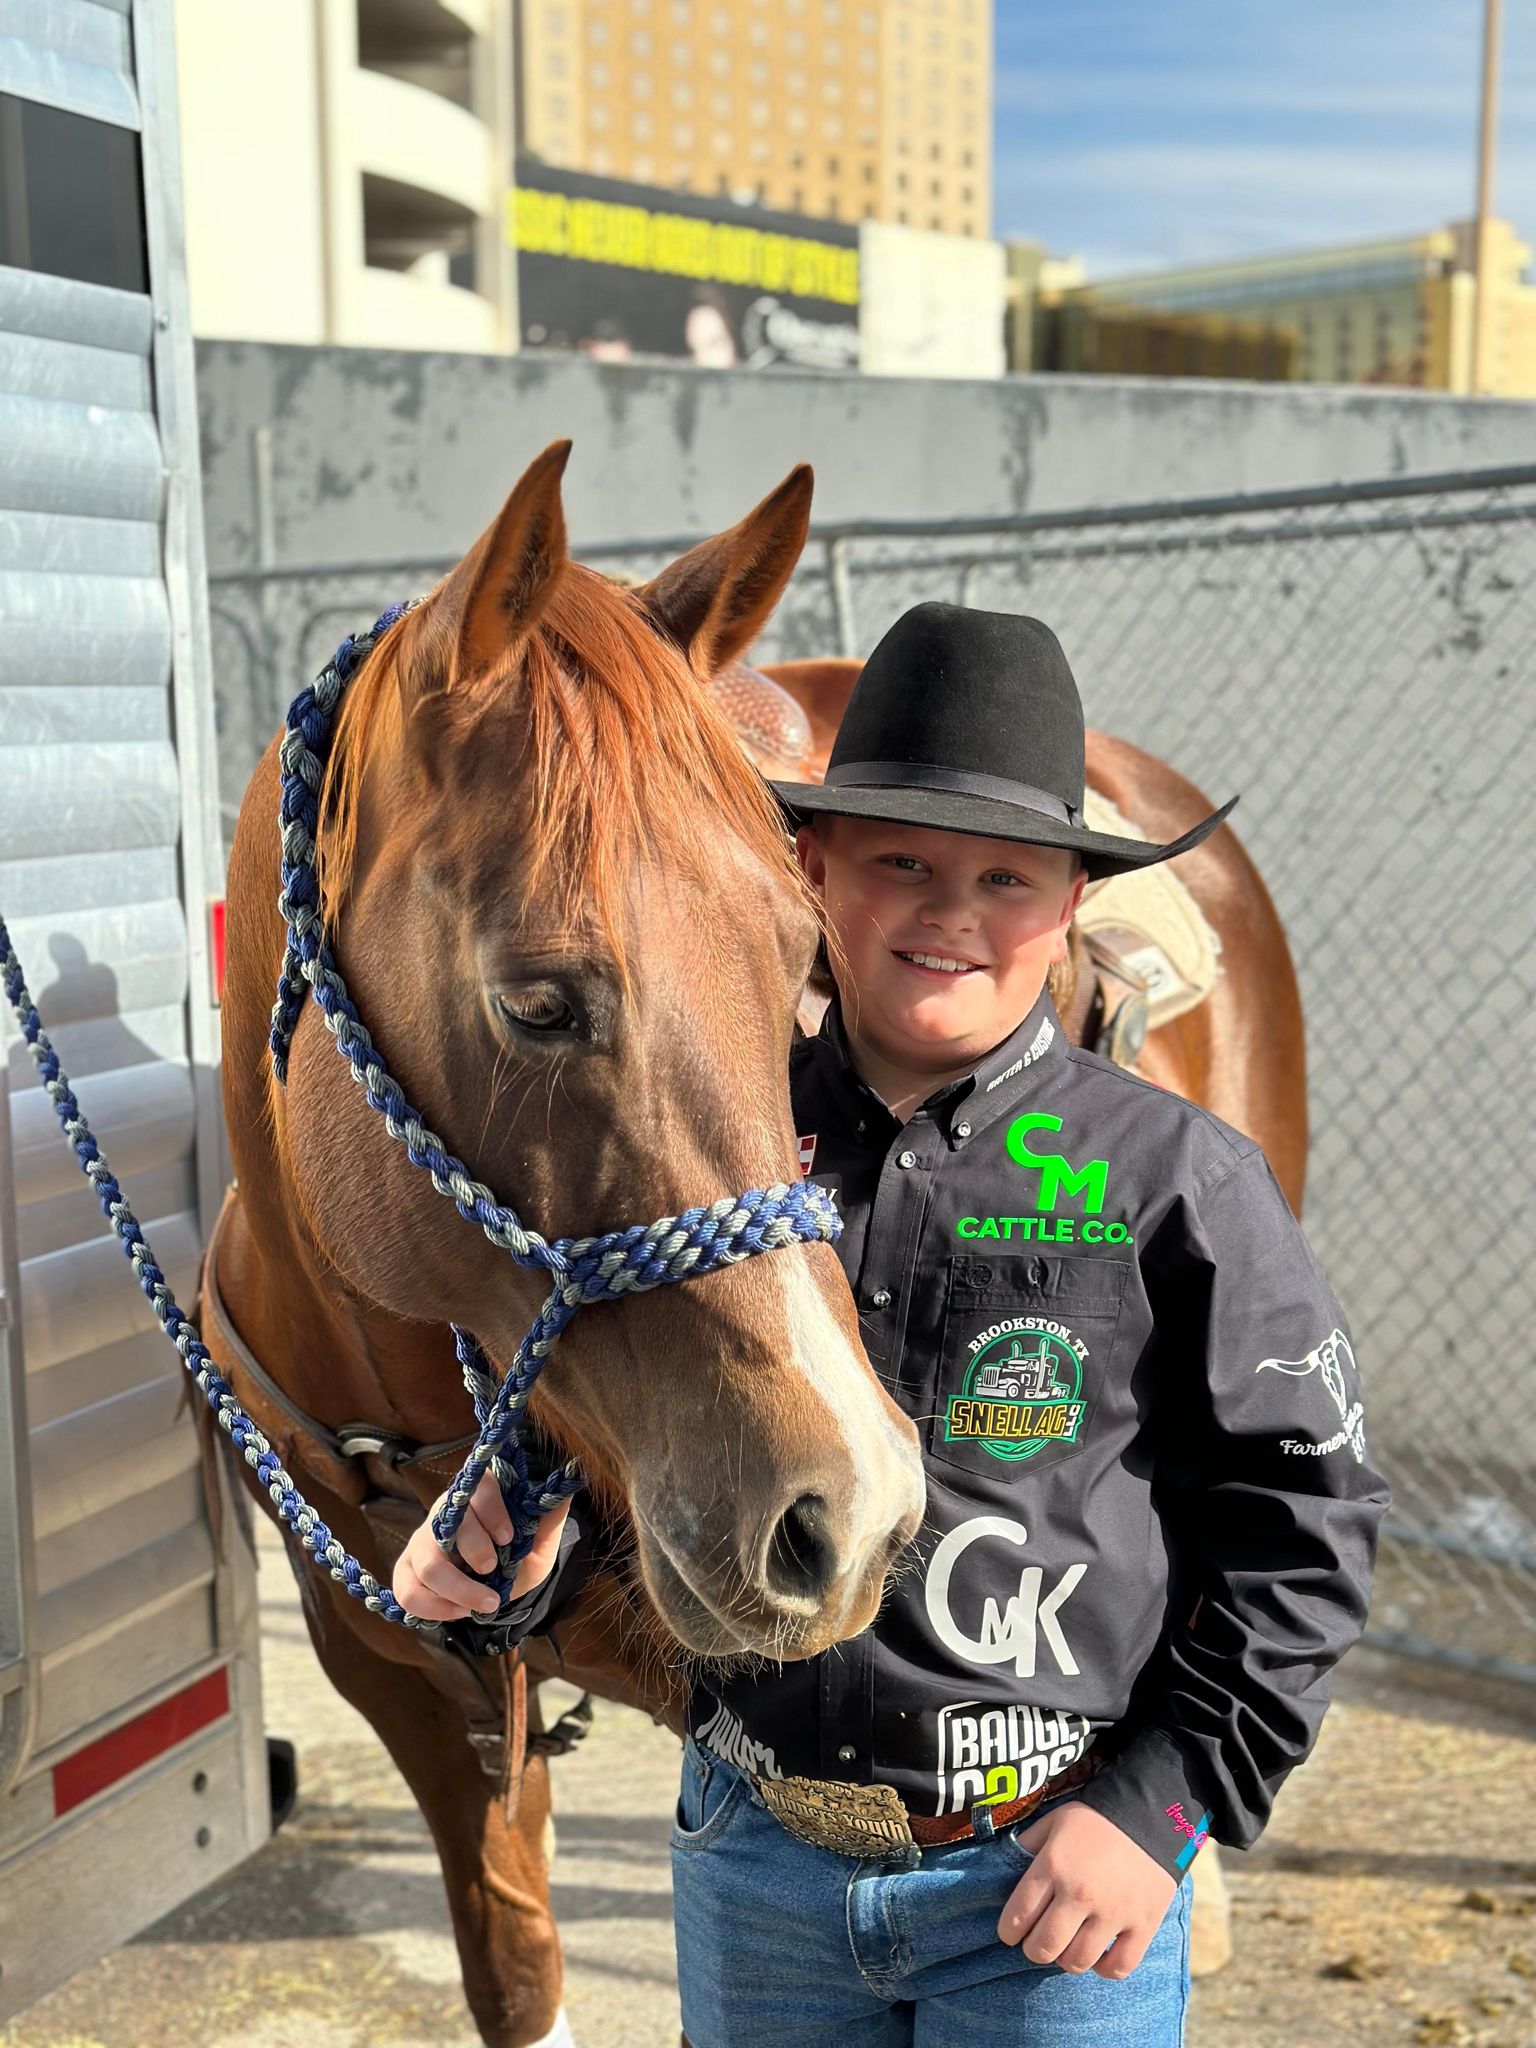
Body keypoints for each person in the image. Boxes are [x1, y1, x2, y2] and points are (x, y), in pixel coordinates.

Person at [392, 602, 1391, 2047]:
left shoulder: (1181, 1181)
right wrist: (521, 1561)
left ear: (1069, 904)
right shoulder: (714, 1156)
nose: (951, 912)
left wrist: (1163, 1803)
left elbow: (1309, 1515)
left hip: (1052, 1889)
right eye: (903, 862)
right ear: (814, 871)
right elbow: (654, 1463)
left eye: (1006, 876)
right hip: (758, 1866)